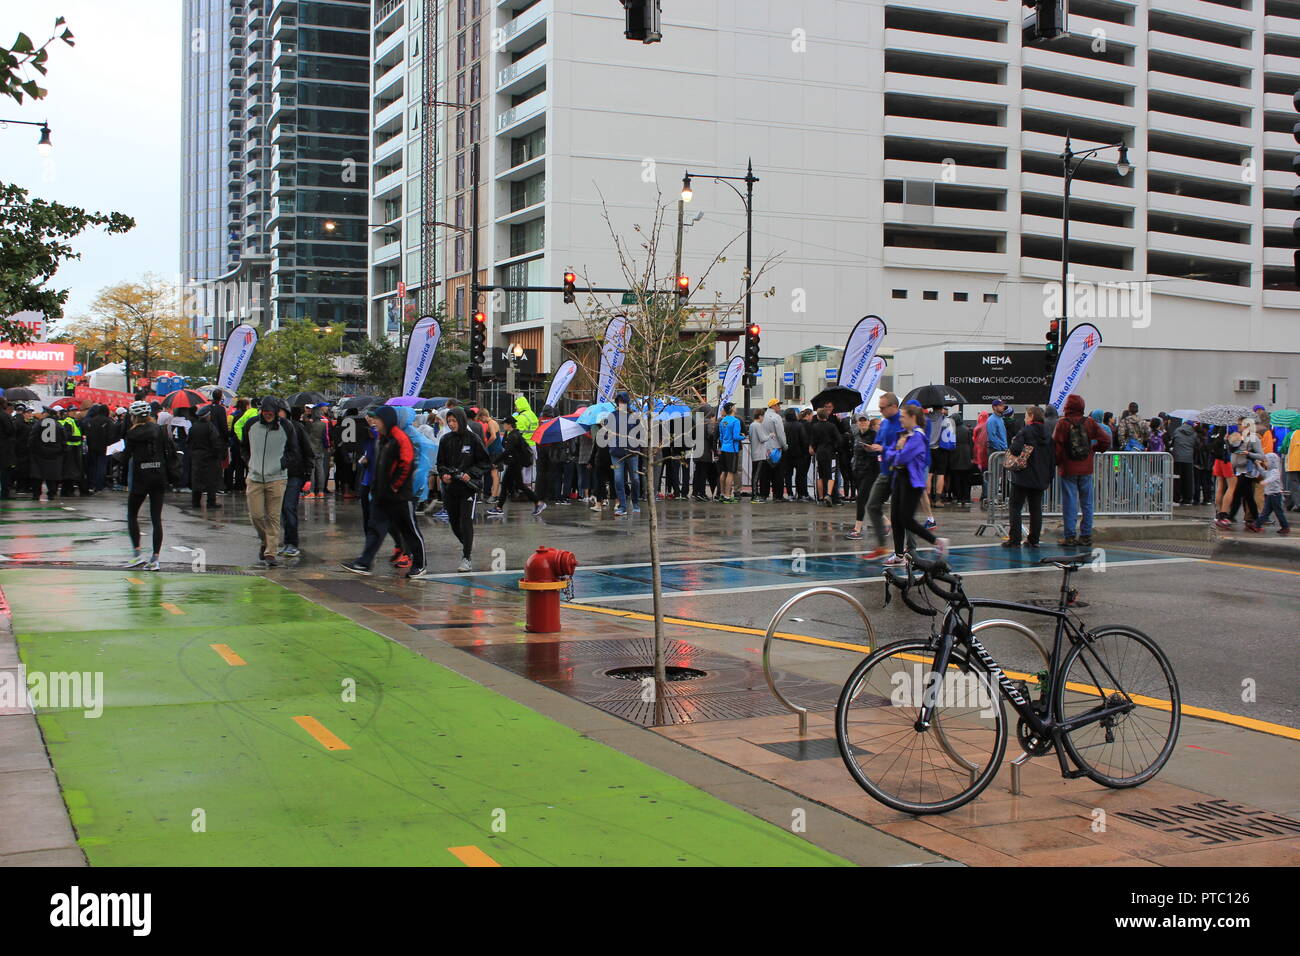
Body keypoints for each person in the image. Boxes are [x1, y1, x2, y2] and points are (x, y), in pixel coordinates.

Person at [882, 403, 946, 563]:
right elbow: (888, 453)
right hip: (899, 478)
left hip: (912, 481)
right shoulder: (904, 434)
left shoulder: (918, 436)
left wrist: (896, 451)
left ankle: (937, 542)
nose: (901, 419)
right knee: (895, 517)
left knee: (906, 518)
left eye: (903, 416)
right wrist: (896, 450)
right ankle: (898, 554)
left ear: (912, 417)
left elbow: (901, 457)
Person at [120, 401, 175, 571]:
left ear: (133, 416)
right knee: (156, 518)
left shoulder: (132, 434)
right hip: (158, 476)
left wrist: (114, 454)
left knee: (132, 515)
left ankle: (137, 554)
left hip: (140, 478)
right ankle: (155, 558)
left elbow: (124, 458)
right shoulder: (159, 430)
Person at [243, 397, 298, 566]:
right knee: (256, 515)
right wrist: (249, 462)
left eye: (271, 413)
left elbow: (293, 450)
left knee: (273, 516)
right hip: (255, 477)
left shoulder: (286, 426)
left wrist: (281, 464)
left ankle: (270, 553)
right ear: (261, 412)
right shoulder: (251, 425)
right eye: (265, 412)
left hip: (277, 478)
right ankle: (265, 540)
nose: (268, 415)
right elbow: (243, 447)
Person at [1052, 392, 1110, 547]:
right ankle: (1086, 535)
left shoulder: (1062, 423)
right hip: (1086, 468)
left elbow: (1056, 446)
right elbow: (1106, 439)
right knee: (1087, 503)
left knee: (1069, 502)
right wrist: (1093, 450)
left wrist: (1058, 462)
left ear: (1067, 407)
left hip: (1068, 468)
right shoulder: (1090, 422)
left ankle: (1070, 536)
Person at [436, 405, 490, 571]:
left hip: (467, 488)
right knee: (453, 522)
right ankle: (468, 544)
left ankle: (466, 557)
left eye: (454, 420)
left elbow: (485, 462)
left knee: (466, 521)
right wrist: (443, 474)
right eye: (449, 421)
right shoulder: (445, 440)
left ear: (461, 420)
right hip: (450, 487)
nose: (451, 424)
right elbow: (441, 463)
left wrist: (471, 474)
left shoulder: (473, 439)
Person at [1004, 405, 1054, 548]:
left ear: (1031, 416)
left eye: (1026, 415)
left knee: (1015, 507)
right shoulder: (1048, 433)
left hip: (1023, 475)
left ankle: (1014, 539)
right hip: (1041, 476)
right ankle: (1034, 539)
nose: (1025, 418)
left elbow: (1015, 449)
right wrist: (1049, 476)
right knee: (1036, 509)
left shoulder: (1025, 431)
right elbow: (1052, 457)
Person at [864, 392, 903, 560]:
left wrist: (883, 449)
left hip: (900, 473)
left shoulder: (903, 423)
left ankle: (908, 550)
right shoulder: (885, 423)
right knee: (872, 505)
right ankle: (882, 546)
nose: (880, 411)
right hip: (885, 471)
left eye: (882, 408)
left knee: (901, 514)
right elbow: (880, 443)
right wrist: (872, 447)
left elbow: (904, 449)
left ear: (894, 406)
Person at [278, 407, 316, 558]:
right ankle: (288, 542)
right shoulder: (272, 429)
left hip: (295, 474)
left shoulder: (296, 427)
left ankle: (292, 543)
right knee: (282, 509)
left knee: (288, 507)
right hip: (279, 473)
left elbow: (308, 451)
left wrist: (307, 476)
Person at [489, 415, 544, 516]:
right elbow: (504, 445)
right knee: (517, 485)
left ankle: (499, 507)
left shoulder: (513, 436)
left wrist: (495, 461)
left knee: (507, 485)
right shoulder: (514, 434)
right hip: (515, 463)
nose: (503, 426)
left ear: (509, 424)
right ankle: (537, 502)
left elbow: (507, 451)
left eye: (504, 424)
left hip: (514, 464)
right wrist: (506, 433)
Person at [1221, 419, 1264, 530]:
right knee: (1248, 497)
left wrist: (1248, 453)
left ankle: (1229, 518)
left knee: (1238, 494)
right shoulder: (1240, 437)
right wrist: (1227, 441)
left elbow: (1261, 456)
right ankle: (1257, 521)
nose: (1238, 426)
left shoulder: (1254, 438)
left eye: (1240, 424)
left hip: (1248, 471)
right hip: (1240, 470)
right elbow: (1233, 450)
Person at [607, 393, 643, 516]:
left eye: (623, 401)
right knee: (618, 479)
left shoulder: (634, 416)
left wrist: (636, 445)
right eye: (619, 402)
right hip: (616, 453)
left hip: (632, 452)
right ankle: (622, 506)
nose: (621, 404)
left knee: (635, 479)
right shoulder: (612, 416)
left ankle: (635, 502)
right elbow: (606, 433)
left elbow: (640, 434)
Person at [845, 414, 880, 540]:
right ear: (857, 422)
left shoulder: (874, 435)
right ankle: (887, 524)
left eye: (865, 420)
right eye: (861, 421)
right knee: (870, 501)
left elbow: (880, 450)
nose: (863, 423)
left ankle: (857, 529)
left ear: (868, 422)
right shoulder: (856, 435)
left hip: (871, 471)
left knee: (861, 500)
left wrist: (872, 449)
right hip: (858, 470)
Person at [750, 398, 788, 502]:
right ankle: (777, 495)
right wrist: (784, 445)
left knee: (764, 473)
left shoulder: (762, 417)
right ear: (773, 406)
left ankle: (763, 494)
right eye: (778, 405)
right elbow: (780, 434)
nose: (779, 407)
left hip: (764, 448)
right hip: (775, 448)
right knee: (778, 473)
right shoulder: (776, 417)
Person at [188, 405, 224, 509]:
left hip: (197, 458)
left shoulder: (193, 427)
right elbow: (216, 442)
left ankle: (195, 502)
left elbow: (189, 442)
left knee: (197, 480)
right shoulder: (210, 427)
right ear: (207, 416)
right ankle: (211, 502)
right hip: (210, 458)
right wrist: (217, 454)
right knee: (211, 480)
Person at [27, 406, 65, 502]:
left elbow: (32, 438)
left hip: (39, 454)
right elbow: (64, 440)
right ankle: (51, 494)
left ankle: (36, 494)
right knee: (51, 476)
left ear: (46, 414)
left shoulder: (38, 424)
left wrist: (32, 450)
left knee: (37, 475)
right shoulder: (59, 425)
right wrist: (60, 451)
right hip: (54, 455)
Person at [808, 408, 841, 505]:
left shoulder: (814, 426)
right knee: (831, 475)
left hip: (819, 453)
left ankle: (821, 498)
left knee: (820, 476)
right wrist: (834, 446)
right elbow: (839, 440)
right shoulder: (832, 426)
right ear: (827, 416)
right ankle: (828, 494)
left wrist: (813, 448)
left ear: (817, 416)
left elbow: (813, 441)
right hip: (830, 453)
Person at [1255, 451, 1290, 535]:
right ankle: (1257, 525)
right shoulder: (1269, 471)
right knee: (1266, 511)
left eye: (1267, 461)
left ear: (1272, 462)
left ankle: (1285, 527)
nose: (1265, 463)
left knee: (1278, 512)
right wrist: (1258, 465)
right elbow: (1263, 472)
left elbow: (1273, 478)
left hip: (1275, 495)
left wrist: (1265, 482)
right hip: (1270, 495)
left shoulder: (1275, 471)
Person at [717, 402, 741, 502]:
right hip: (732, 449)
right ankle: (727, 496)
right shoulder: (736, 421)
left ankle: (722, 494)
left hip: (724, 448)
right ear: (731, 409)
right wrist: (743, 436)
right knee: (731, 472)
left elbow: (721, 437)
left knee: (723, 472)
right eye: (734, 406)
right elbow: (736, 437)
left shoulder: (722, 421)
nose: (736, 408)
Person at [1170, 417, 1197, 505]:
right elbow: (1195, 445)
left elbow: (1173, 442)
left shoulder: (1177, 430)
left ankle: (1176, 498)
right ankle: (1187, 499)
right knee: (1188, 479)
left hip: (1177, 457)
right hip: (1188, 459)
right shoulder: (1194, 433)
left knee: (1177, 479)